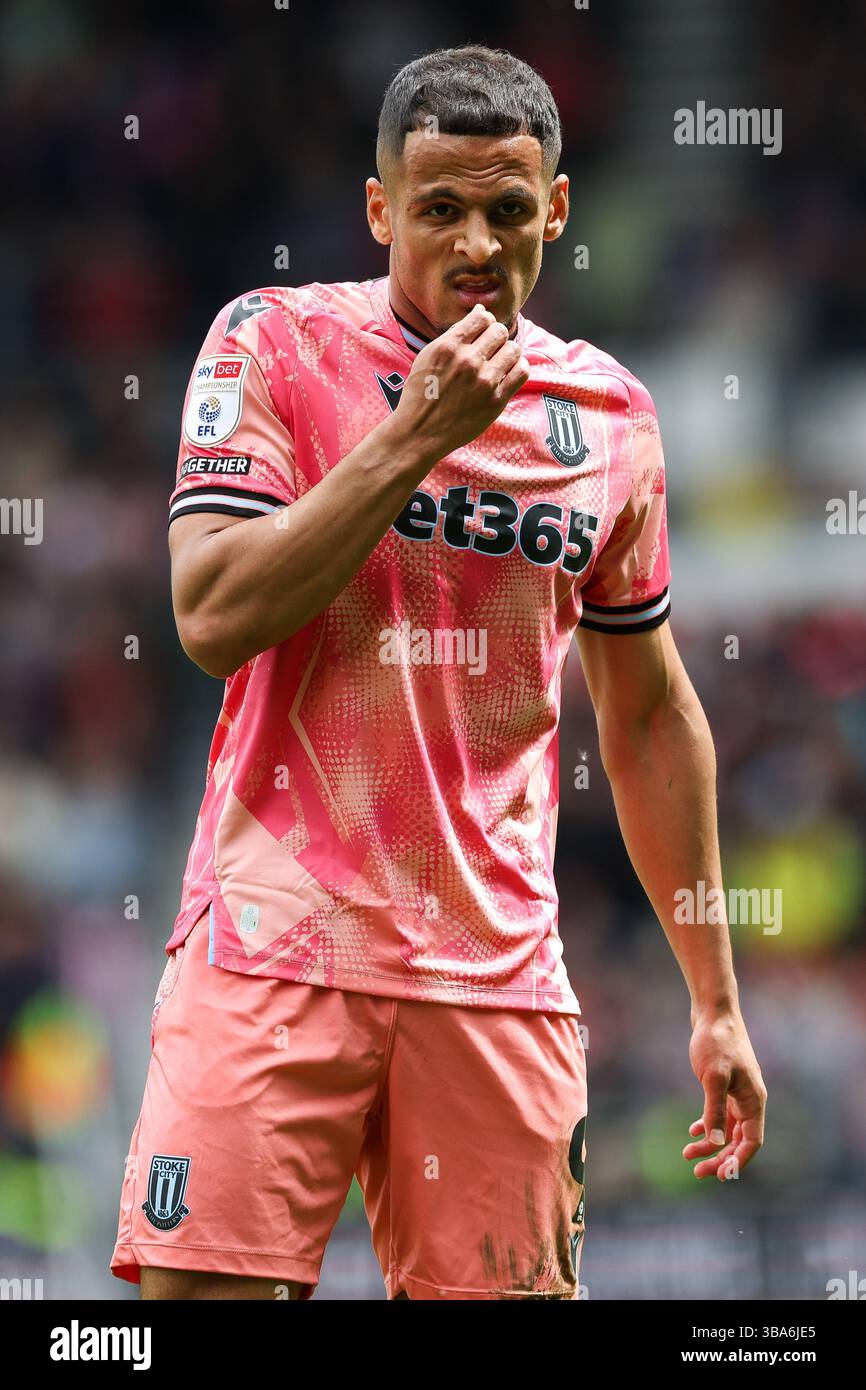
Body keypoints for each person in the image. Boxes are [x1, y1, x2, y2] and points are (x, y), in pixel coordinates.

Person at [111, 44, 766, 1301]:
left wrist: (713, 995)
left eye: (507, 212)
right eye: (440, 210)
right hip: (273, 947)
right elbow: (208, 615)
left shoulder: (610, 419)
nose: (475, 242)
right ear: (379, 213)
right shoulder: (273, 343)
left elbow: (646, 714)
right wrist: (413, 433)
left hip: (495, 975)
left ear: (555, 212)